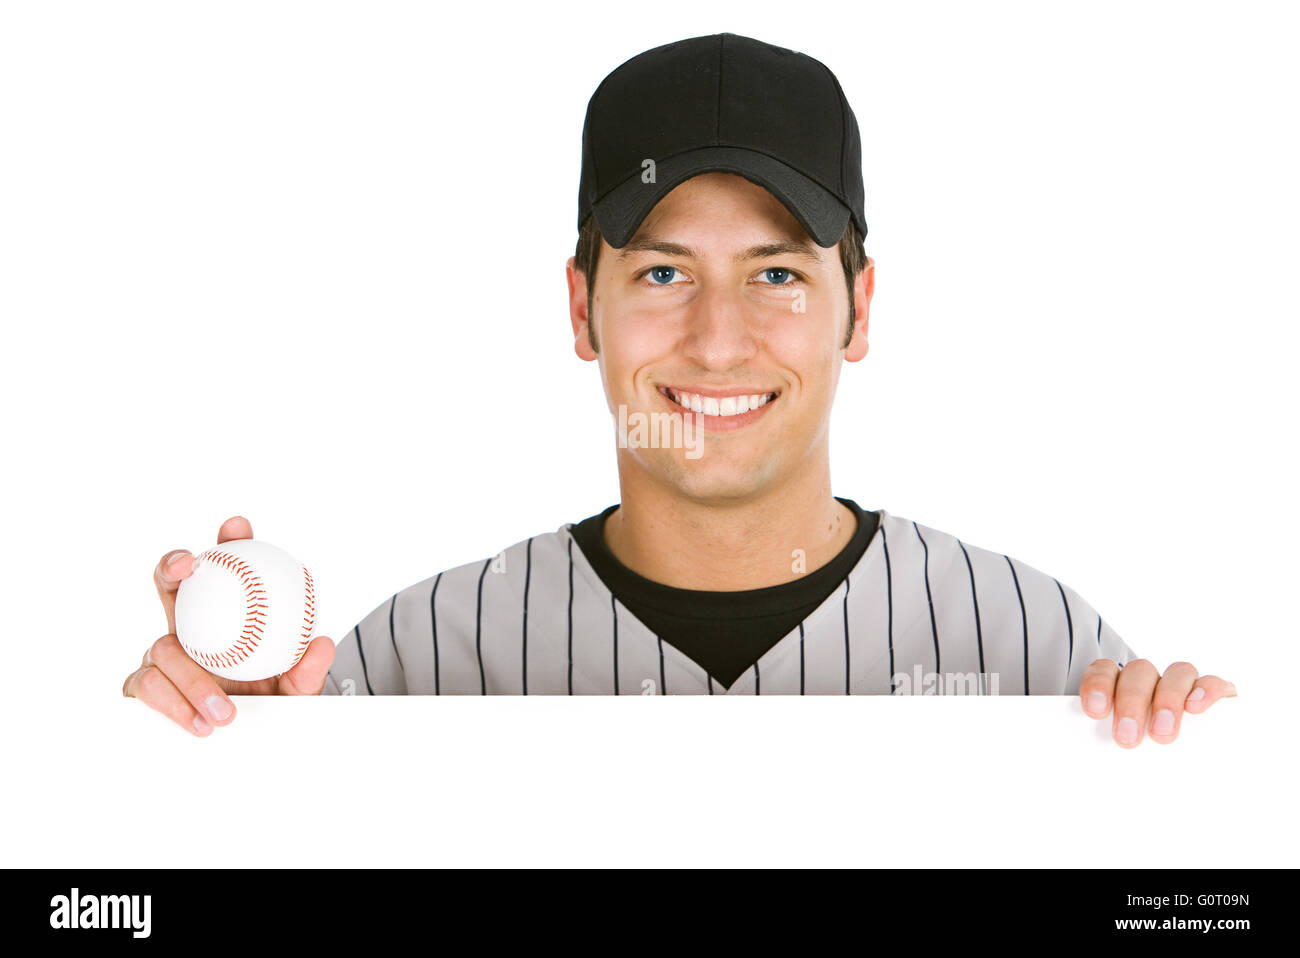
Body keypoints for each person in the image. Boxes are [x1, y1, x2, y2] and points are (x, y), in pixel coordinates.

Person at [123, 33, 1235, 745]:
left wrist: (1208, 823)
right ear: (579, 308)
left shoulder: (1040, 651)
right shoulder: (406, 665)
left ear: (860, 309)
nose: (717, 340)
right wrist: (214, 793)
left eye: (777, 274)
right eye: (661, 270)